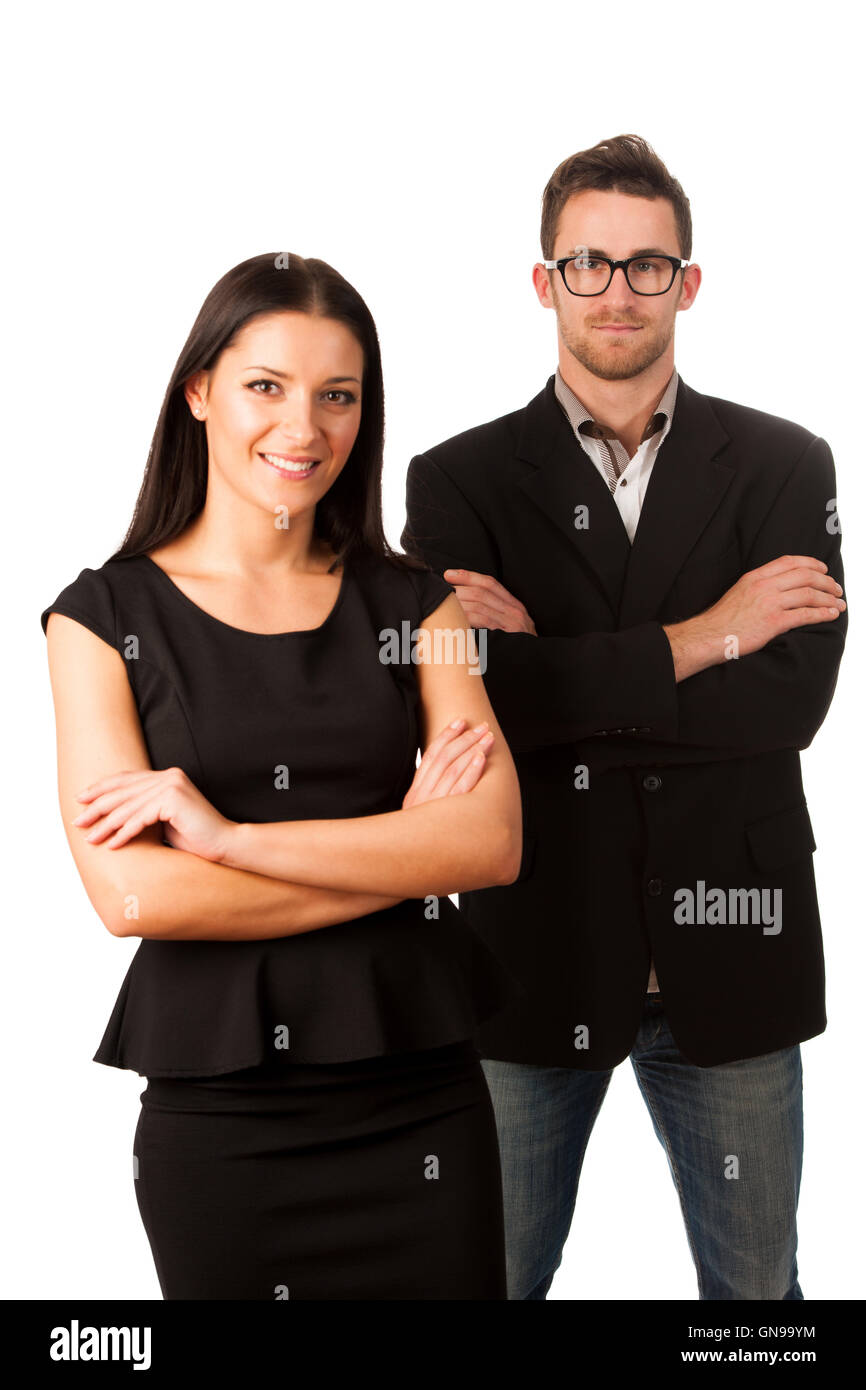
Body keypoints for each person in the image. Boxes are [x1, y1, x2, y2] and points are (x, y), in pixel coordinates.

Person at [401, 134, 847, 1300]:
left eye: (646, 265)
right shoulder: (456, 482)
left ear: (686, 283)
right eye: (586, 263)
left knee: (757, 1302)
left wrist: (554, 676)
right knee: (483, 1279)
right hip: (528, 953)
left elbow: (789, 702)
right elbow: (474, 713)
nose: (616, 290)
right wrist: (707, 636)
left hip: (730, 955)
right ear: (543, 281)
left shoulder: (783, 464)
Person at [41, 252, 524, 1301]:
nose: (303, 428)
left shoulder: (418, 608)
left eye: (337, 396)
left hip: (420, 1104)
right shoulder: (99, 620)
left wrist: (228, 840)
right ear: (201, 390)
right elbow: (135, 894)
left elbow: (488, 842)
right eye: (266, 386)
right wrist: (402, 848)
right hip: (225, 1128)